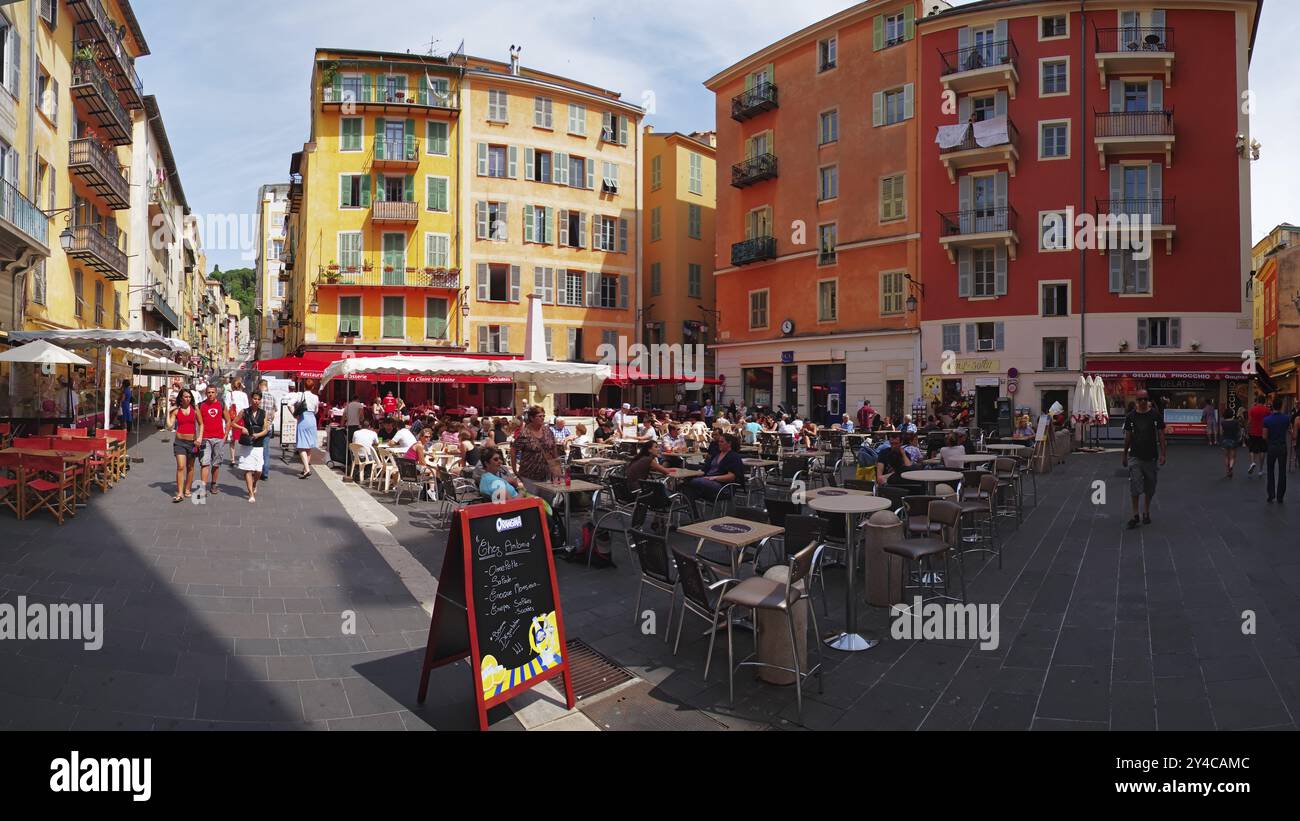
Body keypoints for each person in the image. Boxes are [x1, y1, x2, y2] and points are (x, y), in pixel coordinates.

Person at [1122, 390, 1167, 529]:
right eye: (1140, 399)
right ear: (1136, 400)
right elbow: (1128, 436)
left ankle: (1146, 511)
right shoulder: (1131, 416)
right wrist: (1124, 454)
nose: (1142, 401)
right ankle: (1135, 515)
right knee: (1135, 485)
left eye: (1145, 399)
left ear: (1148, 400)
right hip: (1135, 456)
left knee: (1150, 486)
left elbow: (1161, 435)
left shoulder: (1155, 415)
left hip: (1151, 457)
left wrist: (1163, 453)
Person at [684, 433, 746, 514]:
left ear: (729, 443)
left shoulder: (734, 457)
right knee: (686, 487)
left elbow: (732, 476)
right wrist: (696, 473)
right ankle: (694, 515)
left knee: (693, 483)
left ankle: (694, 515)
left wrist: (714, 478)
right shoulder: (716, 455)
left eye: (722, 442)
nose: (719, 443)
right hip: (708, 482)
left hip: (723, 487)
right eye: (719, 441)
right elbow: (705, 470)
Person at [512, 405, 560, 498]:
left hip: (547, 475)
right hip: (530, 476)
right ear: (532, 418)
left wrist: (557, 468)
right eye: (539, 416)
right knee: (533, 503)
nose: (542, 418)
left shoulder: (547, 431)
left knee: (548, 504)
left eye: (543, 416)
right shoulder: (524, 434)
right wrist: (514, 469)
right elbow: (513, 449)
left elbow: (553, 448)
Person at [234, 391, 271, 503]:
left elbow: (266, 429)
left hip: (258, 443)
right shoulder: (244, 412)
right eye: (255, 399)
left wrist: (258, 435)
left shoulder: (264, 413)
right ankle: (250, 493)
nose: (256, 401)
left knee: (259, 469)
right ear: (251, 399)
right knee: (247, 469)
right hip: (247, 443)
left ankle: (255, 482)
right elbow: (233, 423)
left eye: (258, 399)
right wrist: (241, 428)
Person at [168, 389, 203, 503]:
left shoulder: (195, 409)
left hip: (192, 442)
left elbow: (201, 424)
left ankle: (187, 489)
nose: (188, 398)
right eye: (185, 397)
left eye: (189, 397)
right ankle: (180, 493)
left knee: (191, 467)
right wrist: (168, 412)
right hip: (179, 442)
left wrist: (200, 437)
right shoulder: (176, 411)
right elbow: (169, 426)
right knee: (181, 467)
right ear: (181, 398)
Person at [196, 385, 230, 495]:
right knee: (204, 463)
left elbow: (228, 421)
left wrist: (225, 436)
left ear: (216, 393)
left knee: (216, 463)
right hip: (205, 438)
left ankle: (214, 484)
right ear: (206, 393)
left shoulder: (221, 404)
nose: (210, 394)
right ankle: (203, 487)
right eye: (208, 392)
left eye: (212, 392)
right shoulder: (201, 405)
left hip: (219, 438)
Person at [289, 379, 320, 480]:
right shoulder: (315, 397)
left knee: (301, 446)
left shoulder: (300, 395)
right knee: (309, 446)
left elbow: (289, 404)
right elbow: (316, 410)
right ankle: (305, 468)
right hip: (312, 419)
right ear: (313, 387)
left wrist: (294, 414)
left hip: (303, 419)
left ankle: (306, 469)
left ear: (304, 386)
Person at [1262, 397, 1292, 503]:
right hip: (1282, 446)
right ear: (1281, 406)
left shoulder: (1267, 420)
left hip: (1272, 446)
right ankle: (1280, 496)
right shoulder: (1286, 418)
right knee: (1282, 471)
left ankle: (1271, 494)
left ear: (1272, 406)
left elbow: (1264, 436)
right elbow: (1289, 430)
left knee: (1270, 470)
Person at [1246, 395, 1269, 478]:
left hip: (1253, 431)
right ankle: (1260, 470)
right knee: (1262, 450)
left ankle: (1252, 462)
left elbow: (1249, 421)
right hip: (1263, 432)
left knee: (1252, 448)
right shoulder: (1267, 410)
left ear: (1258, 401)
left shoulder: (1252, 409)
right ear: (1264, 401)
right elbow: (1269, 421)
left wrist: (1247, 428)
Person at [1220, 408, 1243, 478]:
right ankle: (1231, 466)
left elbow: (1221, 432)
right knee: (1233, 457)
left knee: (1226, 456)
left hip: (1225, 440)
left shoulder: (1223, 422)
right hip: (1233, 440)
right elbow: (1239, 430)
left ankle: (1227, 471)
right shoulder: (1235, 422)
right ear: (1232, 414)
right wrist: (1239, 437)